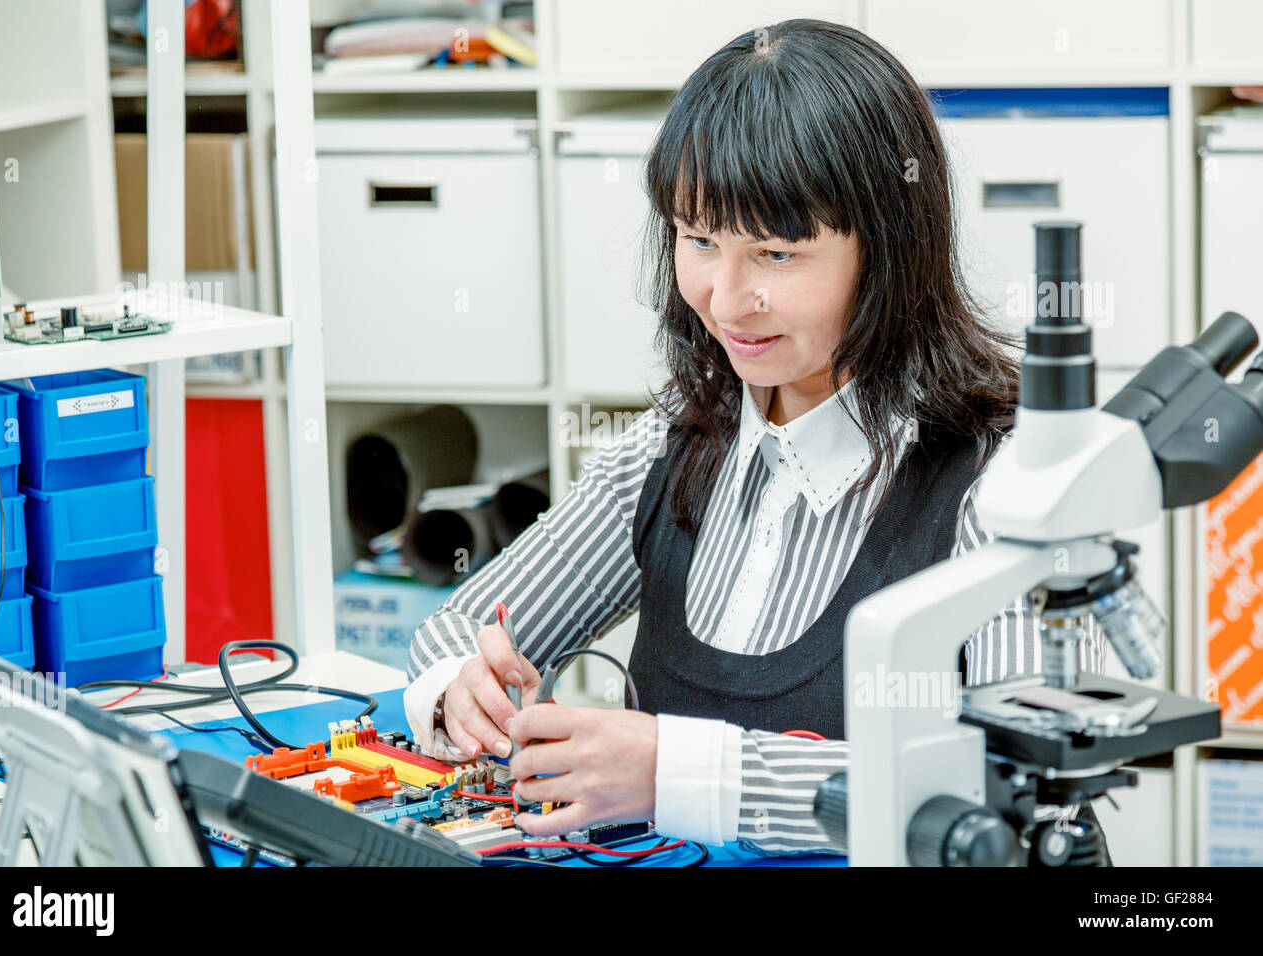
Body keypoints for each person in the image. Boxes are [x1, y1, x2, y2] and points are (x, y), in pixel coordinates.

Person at [403, 18, 1107, 855]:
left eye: (775, 255)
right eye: (698, 240)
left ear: (887, 249)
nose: (726, 300)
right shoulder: (667, 447)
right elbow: (452, 633)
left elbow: (1025, 794)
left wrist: (683, 776)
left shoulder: (1004, 487)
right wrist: (459, 691)